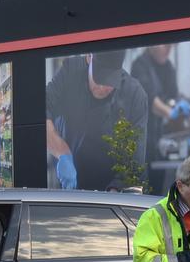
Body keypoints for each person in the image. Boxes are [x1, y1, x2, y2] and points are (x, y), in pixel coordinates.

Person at [46, 50, 148, 190]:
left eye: (110, 80)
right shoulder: (70, 72)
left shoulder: (135, 95)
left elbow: (133, 165)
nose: (102, 87)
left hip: (109, 195)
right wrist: (63, 153)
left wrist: (112, 196)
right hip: (68, 190)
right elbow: (40, 111)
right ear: (89, 57)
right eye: (99, 78)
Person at [130, 44, 190, 167]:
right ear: (151, 45)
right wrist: (171, 113)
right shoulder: (140, 65)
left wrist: (179, 107)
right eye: (165, 45)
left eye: (171, 45)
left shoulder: (169, 68)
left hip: (162, 141)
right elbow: (150, 101)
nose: (169, 49)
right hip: (143, 140)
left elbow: (173, 97)